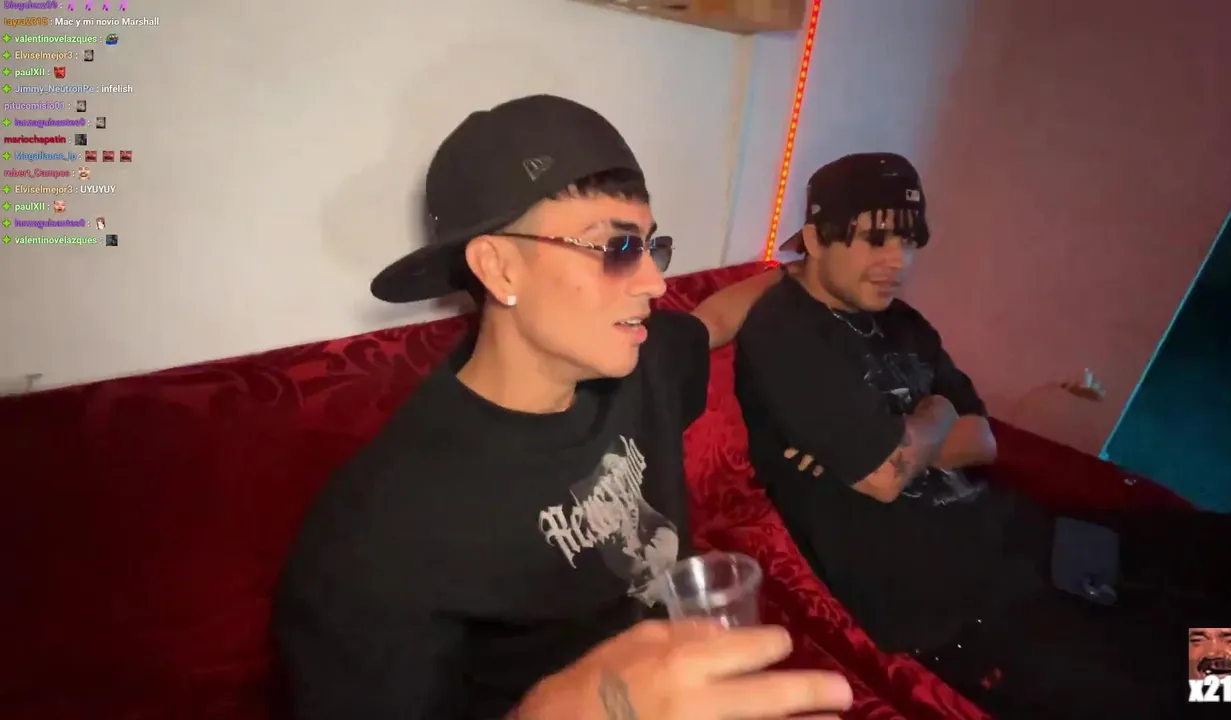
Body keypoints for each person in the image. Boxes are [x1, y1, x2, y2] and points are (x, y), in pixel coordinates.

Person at [271, 94, 854, 720]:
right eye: (617, 249)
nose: (656, 283)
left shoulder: (645, 360)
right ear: (499, 268)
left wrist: (801, 271)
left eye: (651, 248)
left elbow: (709, 324)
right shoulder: (378, 531)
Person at [733, 152, 1231, 718]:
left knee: (1220, 552)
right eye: (876, 240)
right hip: (961, 611)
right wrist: (932, 416)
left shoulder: (904, 323)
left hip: (1025, 535)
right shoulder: (784, 330)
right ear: (816, 239)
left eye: (909, 242)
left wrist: (909, 436)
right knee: (1205, 672)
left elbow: (983, 441)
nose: (898, 261)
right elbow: (886, 476)